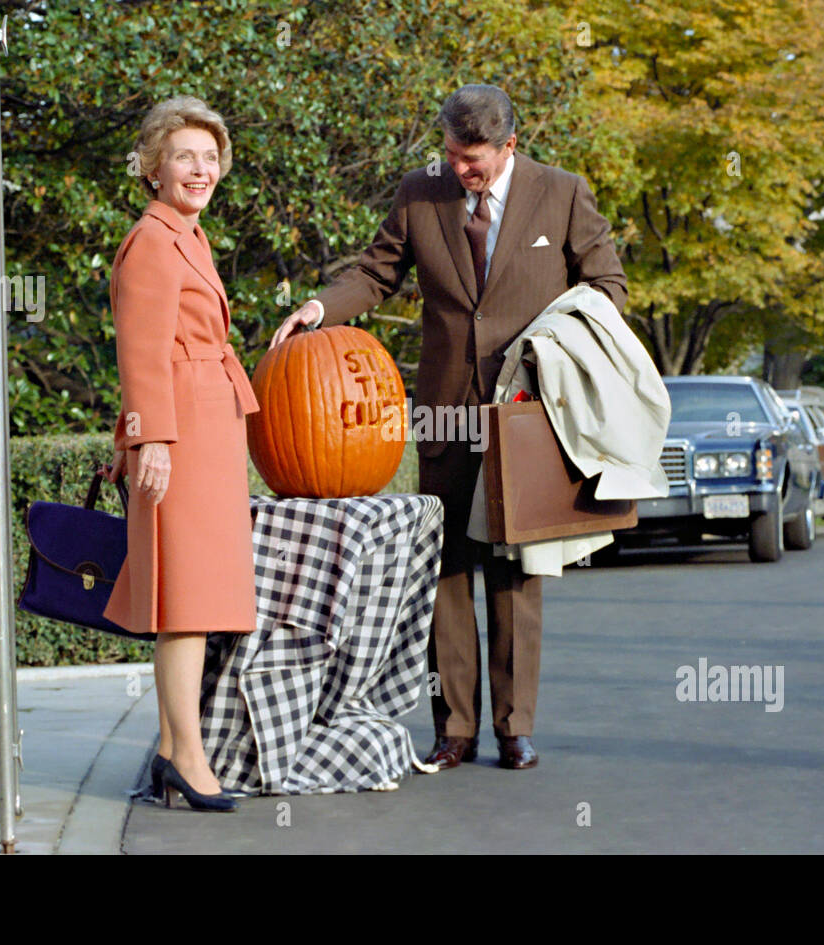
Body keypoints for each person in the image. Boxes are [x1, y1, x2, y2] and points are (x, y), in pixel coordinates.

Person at [270, 85, 627, 770]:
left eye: (476, 159)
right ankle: (454, 727)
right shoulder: (419, 192)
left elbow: (606, 286)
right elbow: (377, 272)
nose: (462, 169)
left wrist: (555, 351)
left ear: (510, 145)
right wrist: (320, 308)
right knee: (446, 571)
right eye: (453, 156)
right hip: (443, 410)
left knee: (515, 572)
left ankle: (515, 725)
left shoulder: (562, 192)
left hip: (527, 411)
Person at [101, 96, 262, 811]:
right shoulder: (153, 241)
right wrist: (152, 439)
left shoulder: (187, 236)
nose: (200, 169)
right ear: (152, 167)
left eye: (209, 157)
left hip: (209, 426)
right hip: (181, 432)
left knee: (193, 598)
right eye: (184, 156)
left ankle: (173, 750)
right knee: (184, 602)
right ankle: (188, 757)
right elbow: (141, 350)